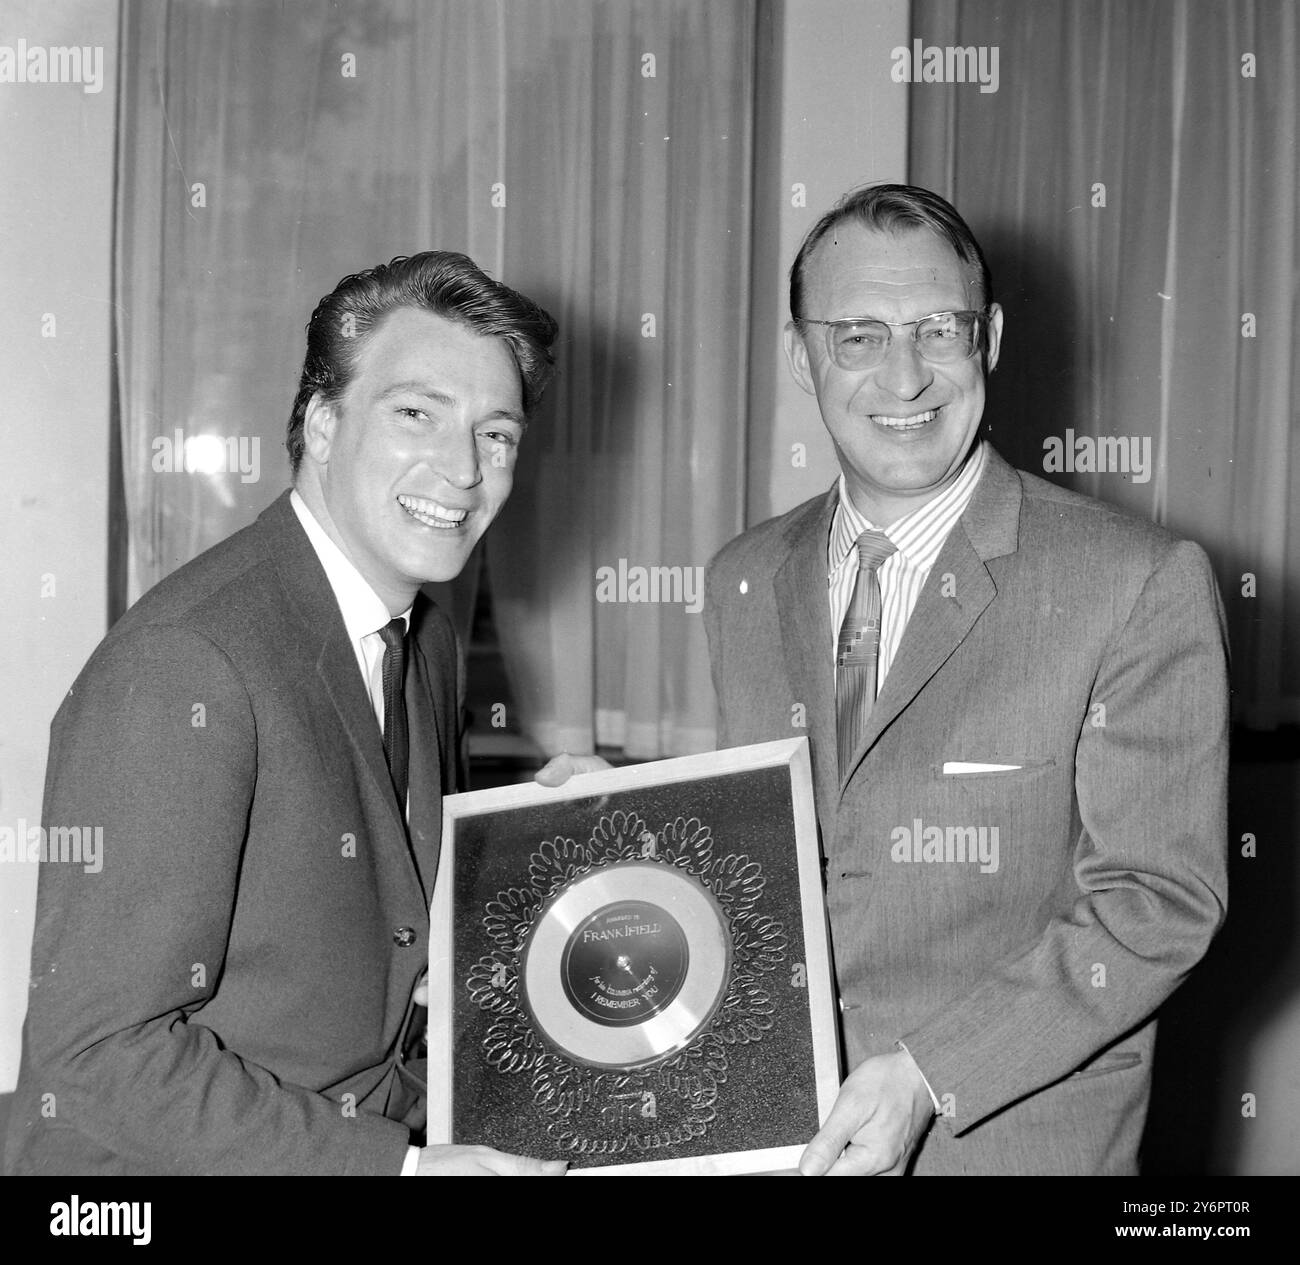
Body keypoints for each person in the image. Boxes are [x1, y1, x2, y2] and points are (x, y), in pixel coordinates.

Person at [5, 251, 590, 1176]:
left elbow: (381, 909)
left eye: (497, 436)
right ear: (321, 425)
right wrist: (393, 1171)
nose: (461, 468)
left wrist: (543, 834)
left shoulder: (423, 632)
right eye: (415, 414)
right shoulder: (186, 664)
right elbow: (97, 1053)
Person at [704, 185, 1229, 1176]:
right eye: (857, 334)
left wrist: (926, 1072)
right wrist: (595, 828)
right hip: (775, 1146)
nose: (904, 377)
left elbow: (1157, 903)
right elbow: (750, 866)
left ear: (985, 337)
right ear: (798, 354)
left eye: (935, 329)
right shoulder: (739, 578)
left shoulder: (1133, 580)